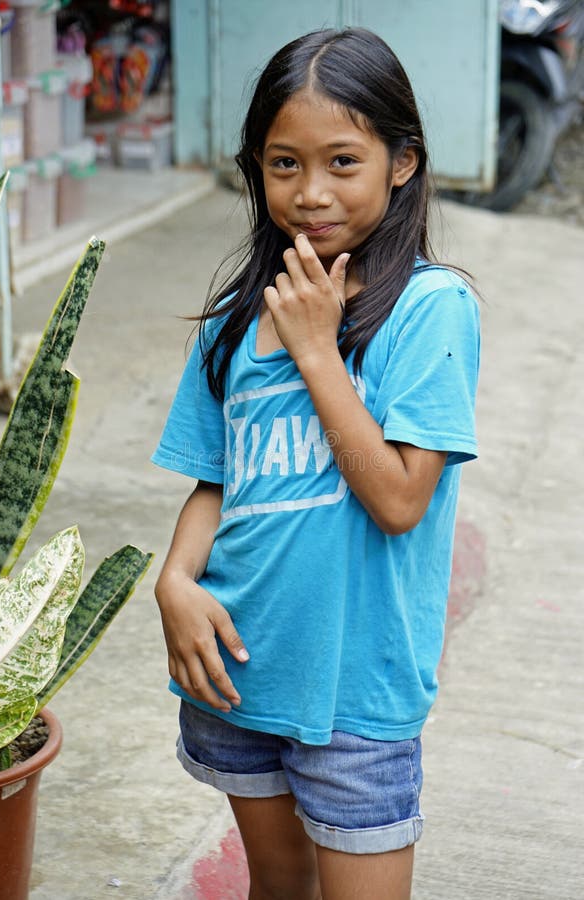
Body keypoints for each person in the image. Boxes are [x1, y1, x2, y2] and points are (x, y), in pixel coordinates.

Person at [153, 27, 479, 900]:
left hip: (357, 696)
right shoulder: (237, 316)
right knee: (277, 886)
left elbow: (401, 500)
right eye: (284, 164)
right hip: (237, 672)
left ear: (402, 162)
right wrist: (174, 580)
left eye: (343, 161)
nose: (311, 193)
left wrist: (317, 353)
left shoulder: (430, 310)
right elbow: (218, 480)